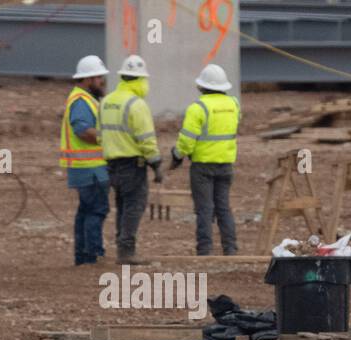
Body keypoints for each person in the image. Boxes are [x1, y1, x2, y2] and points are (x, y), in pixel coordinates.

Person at [100, 55, 164, 264]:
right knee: (134, 206)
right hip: (132, 165)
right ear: (139, 80)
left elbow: (101, 135)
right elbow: (146, 139)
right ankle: (126, 251)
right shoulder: (136, 105)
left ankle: (122, 248)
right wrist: (156, 164)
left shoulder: (107, 101)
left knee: (122, 205)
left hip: (111, 165)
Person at [170, 64, 240, 256]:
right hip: (225, 165)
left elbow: (186, 140)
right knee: (223, 207)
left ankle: (205, 249)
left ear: (201, 86)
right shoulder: (234, 105)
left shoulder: (198, 108)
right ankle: (230, 247)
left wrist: (177, 155)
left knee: (204, 208)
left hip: (202, 166)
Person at [60, 55, 110, 266]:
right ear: (88, 79)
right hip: (90, 168)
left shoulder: (84, 98)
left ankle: (82, 256)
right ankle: (92, 255)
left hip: (85, 167)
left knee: (85, 211)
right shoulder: (81, 101)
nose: (102, 82)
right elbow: (82, 130)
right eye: (99, 77)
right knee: (96, 210)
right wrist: (108, 137)